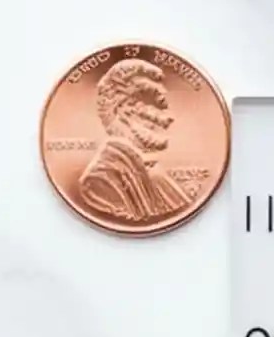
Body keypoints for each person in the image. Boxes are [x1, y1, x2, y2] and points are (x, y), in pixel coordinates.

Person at [78, 59, 191, 222]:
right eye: (155, 107)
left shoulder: (153, 172)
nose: (168, 119)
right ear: (124, 110)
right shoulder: (97, 183)